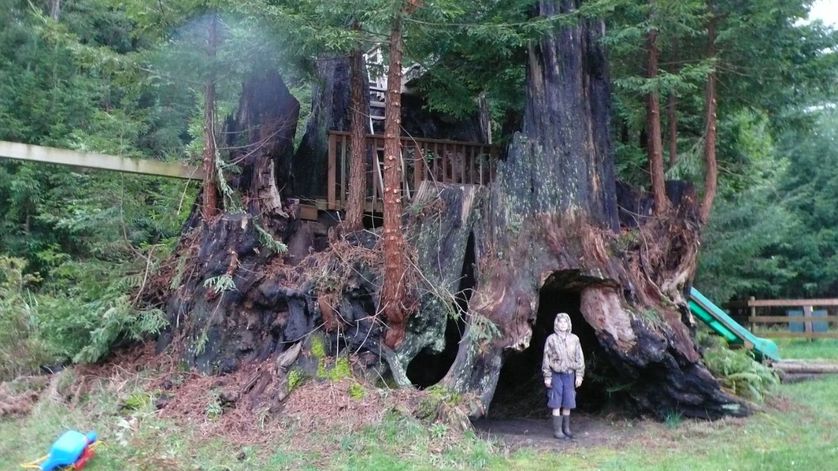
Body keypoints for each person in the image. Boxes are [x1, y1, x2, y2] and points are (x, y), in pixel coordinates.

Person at [542, 312, 585, 439]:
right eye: (560, 322)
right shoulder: (551, 339)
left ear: (569, 323)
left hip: (570, 374)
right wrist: (547, 376)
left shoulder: (574, 339)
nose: (563, 324)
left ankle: (566, 428)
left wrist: (579, 375)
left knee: (568, 401)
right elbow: (546, 358)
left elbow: (580, 358)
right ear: (556, 323)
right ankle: (557, 431)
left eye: (565, 322)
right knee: (556, 401)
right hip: (556, 374)